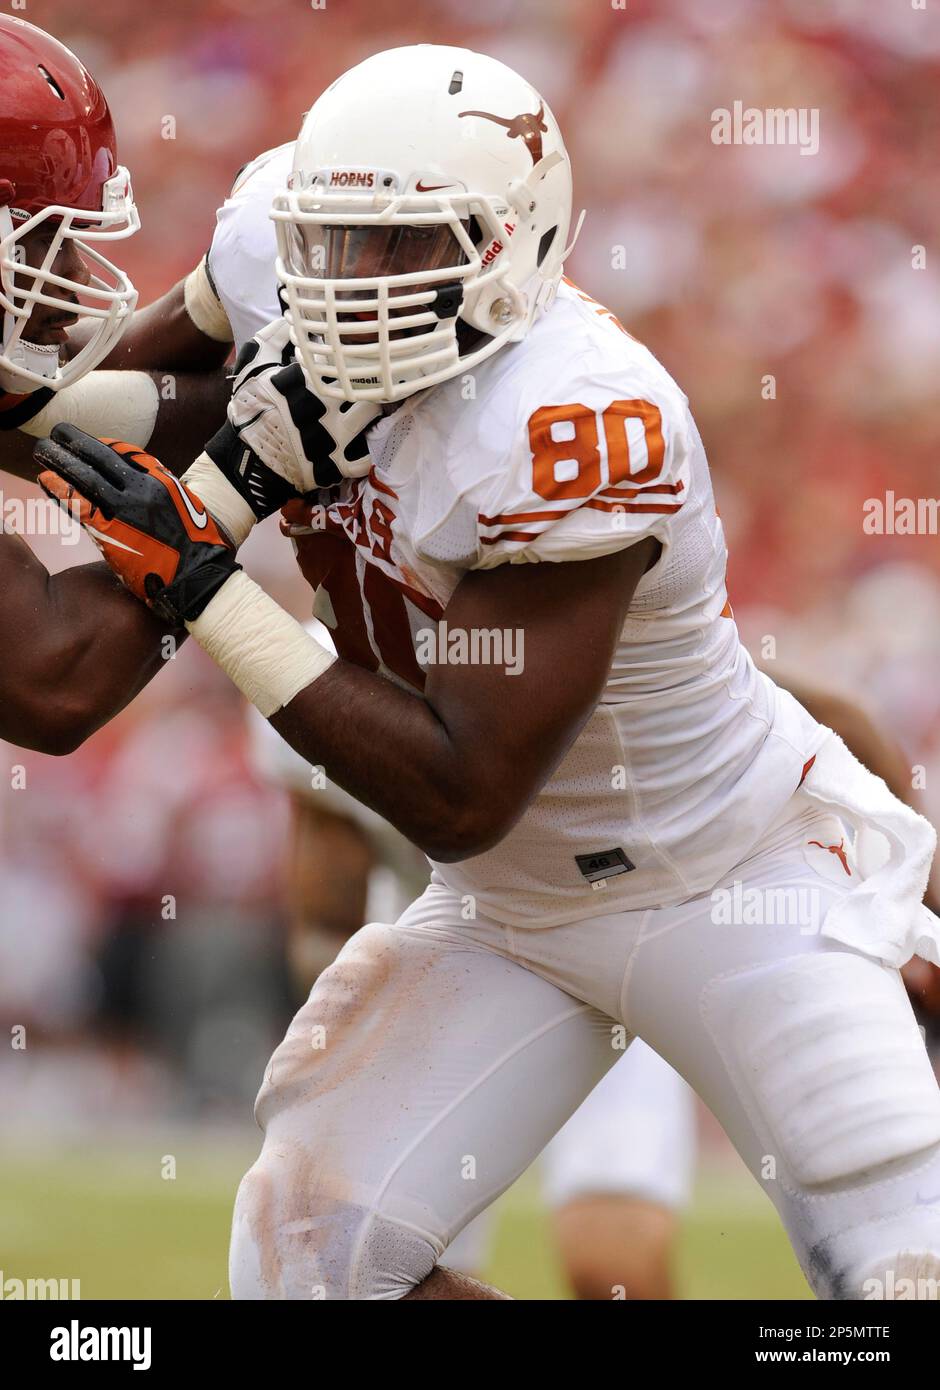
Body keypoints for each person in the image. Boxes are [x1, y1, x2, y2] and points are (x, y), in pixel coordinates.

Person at [36, 44, 940, 1302]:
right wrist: (46, 418)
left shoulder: (573, 419)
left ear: (512, 244)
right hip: (511, 910)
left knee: (898, 1280)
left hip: (730, 877)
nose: (347, 285)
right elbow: (150, 396)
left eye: (399, 250)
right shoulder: (271, 247)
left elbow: (460, 790)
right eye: (334, 243)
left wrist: (207, 582)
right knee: (306, 1264)